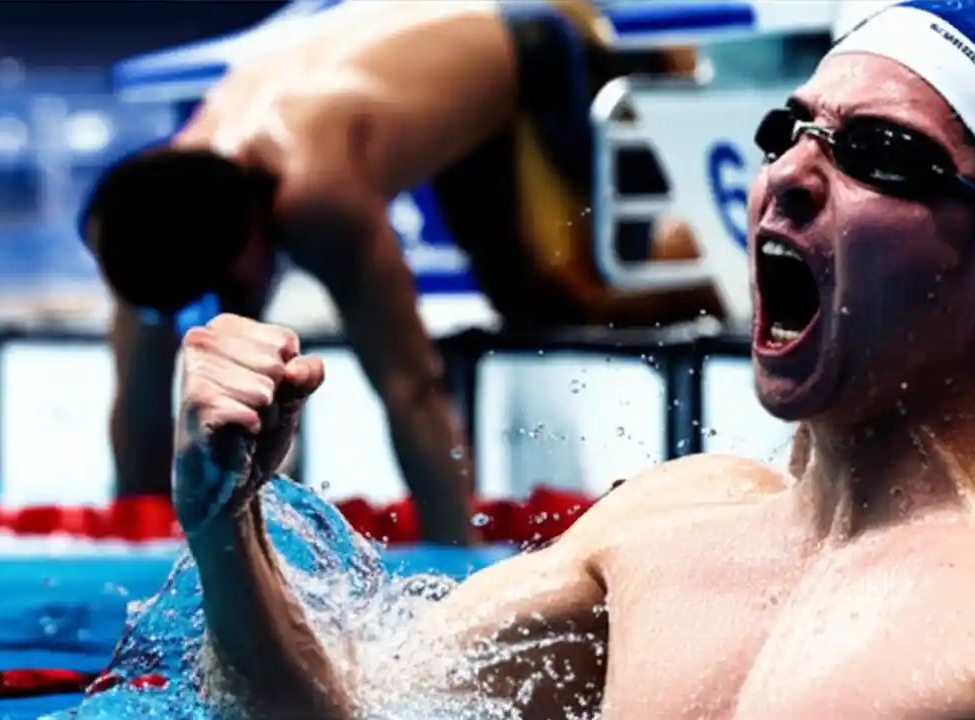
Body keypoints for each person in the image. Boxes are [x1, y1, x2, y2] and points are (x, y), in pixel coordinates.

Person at [165, 0, 975, 716]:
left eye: (880, 154)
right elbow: (343, 710)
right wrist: (224, 528)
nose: (790, 174)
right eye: (787, 132)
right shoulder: (663, 529)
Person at [96, 0, 719, 546]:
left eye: (227, 288)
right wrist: (137, 538)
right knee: (521, 288)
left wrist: (456, 570)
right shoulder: (160, 197)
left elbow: (412, 387)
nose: (228, 304)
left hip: (540, 44)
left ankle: (720, 254)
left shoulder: (316, 196)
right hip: (421, 45)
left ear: (247, 242)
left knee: (566, 298)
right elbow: (138, 383)